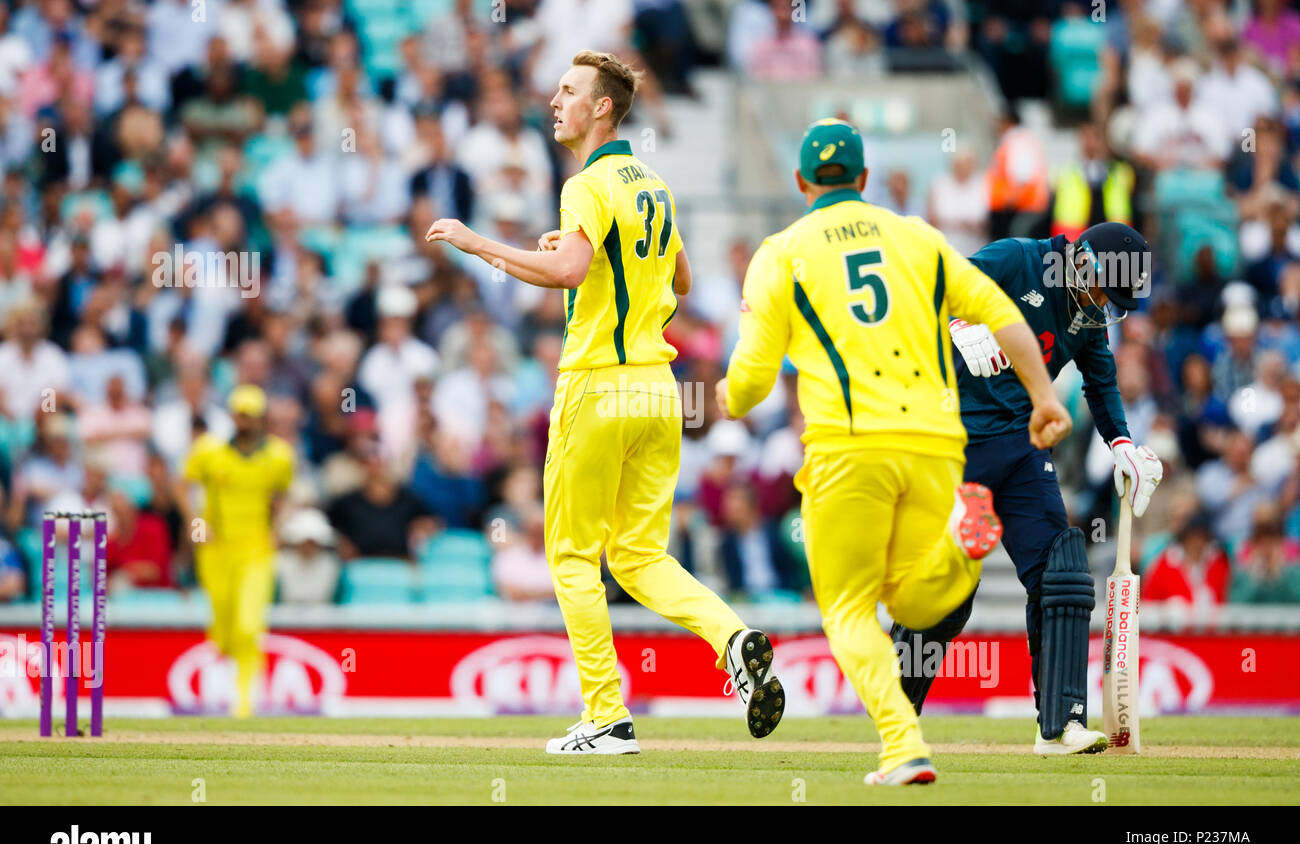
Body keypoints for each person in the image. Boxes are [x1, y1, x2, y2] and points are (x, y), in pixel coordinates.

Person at [425, 51, 783, 755]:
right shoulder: (652, 183)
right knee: (642, 555)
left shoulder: (584, 183)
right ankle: (732, 637)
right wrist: (584, 256)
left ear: (603, 109)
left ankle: (606, 716)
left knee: (571, 556)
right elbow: (677, 278)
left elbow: (565, 272)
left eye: (569, 92)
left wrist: (475, 244)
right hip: (657, 391)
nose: (555, 101)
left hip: (597, 383)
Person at [717, 118, 1072, 785]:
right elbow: (1003, 316)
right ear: (865, 180)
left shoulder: (782, 250)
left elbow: (749, 384)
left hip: (848, 449)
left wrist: (727, 395)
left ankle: (903, 744)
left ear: (800, 183)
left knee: (848, 609)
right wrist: (1044, 398)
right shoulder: (919, 237)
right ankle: (962, 547)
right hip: (939, 446)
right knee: (914, 603)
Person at [891, 221, 1165, 755]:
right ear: (1083, 259)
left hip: (1020, 448)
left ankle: (1059, 724)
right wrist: (957, 325)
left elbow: (1101, 382)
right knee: (950, 594)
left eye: (1114, 301)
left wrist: (1123, 444)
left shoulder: (1086, 320)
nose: (1102, 306)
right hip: (951, 442)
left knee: (1063, 572)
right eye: (1105, 291)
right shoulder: (1018, 259)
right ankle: (895, 709)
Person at [182, 384, 293, 717]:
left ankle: (244, 704)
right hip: (216, 552)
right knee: (223, 633)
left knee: (249, 625)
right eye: (240, 415)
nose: (244, 422)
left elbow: (282, 495)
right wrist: (197, 526)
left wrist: (277, 530)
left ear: (261, 419)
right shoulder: (209, 452)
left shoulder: (279, 455)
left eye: (251, 416)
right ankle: (233, 691)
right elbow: (183, 485)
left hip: (256, 550)